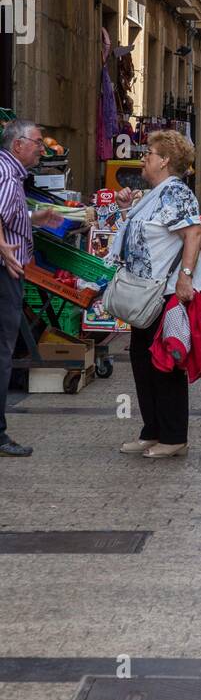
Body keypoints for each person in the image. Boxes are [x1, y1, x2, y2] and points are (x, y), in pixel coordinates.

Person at [112, 129, 201, 458]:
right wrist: (127, 209)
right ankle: (151, 430)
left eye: (150, 153)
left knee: (165, 362)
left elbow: (193, 232)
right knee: (143, 361)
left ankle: (174, 436)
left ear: (166, 160)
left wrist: (185, 277)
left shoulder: (176, 193)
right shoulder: (155, 193)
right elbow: (145, 236)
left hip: (166, 292)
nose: (144, 158)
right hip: (146, 292)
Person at [0, 120, 66, 457]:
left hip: (9, 270)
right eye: (38, 143)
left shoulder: (10, 175)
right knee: (2, 352)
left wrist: (33, 219)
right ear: (18, 145)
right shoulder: (7, 176)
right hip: (4, 273)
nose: (42, 148)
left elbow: (8, 214)